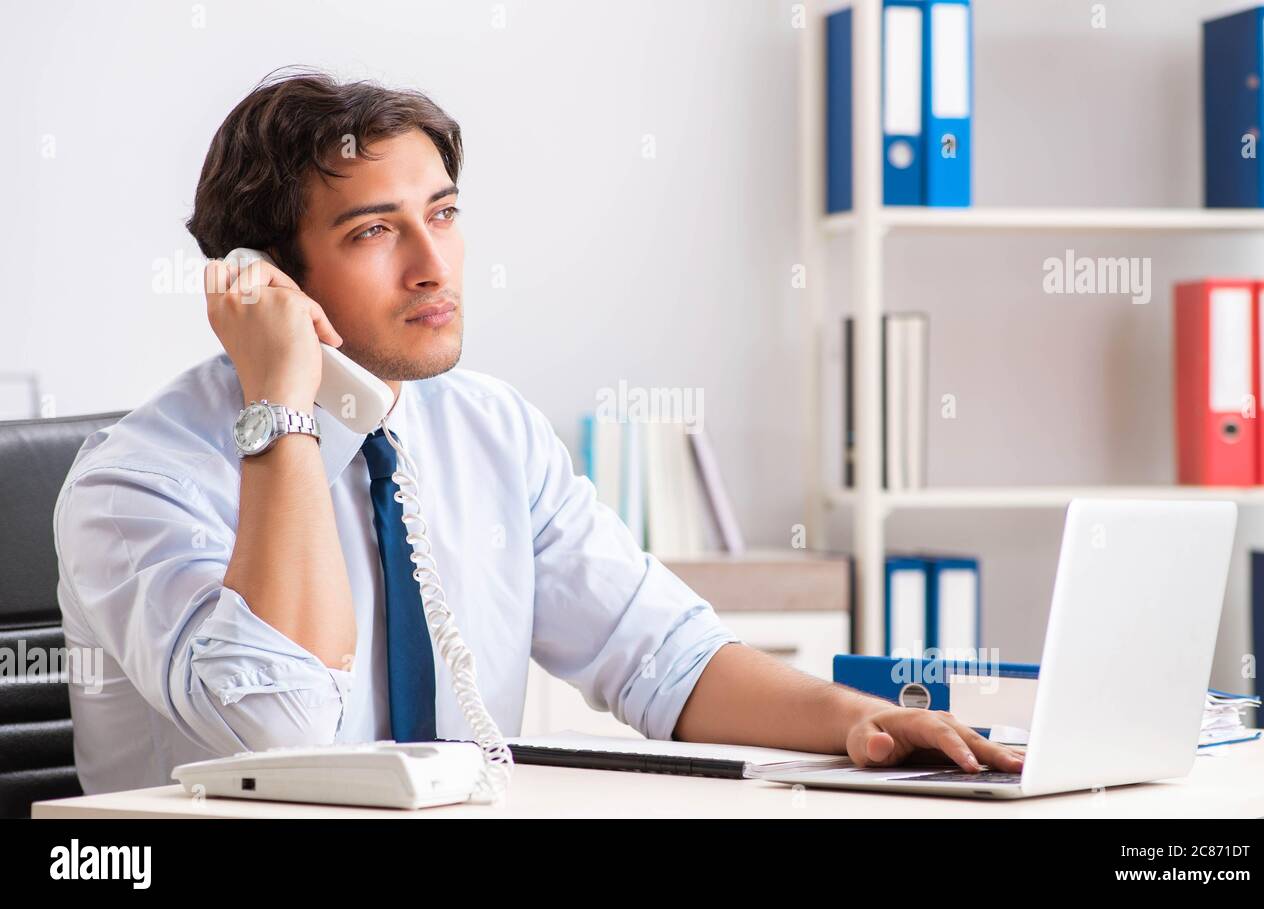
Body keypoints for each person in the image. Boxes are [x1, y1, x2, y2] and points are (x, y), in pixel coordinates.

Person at [54, 68, 1023, 794]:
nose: (434, 264)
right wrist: (285, 409)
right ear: (266, 275)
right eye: (374, 231)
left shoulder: (488, 429)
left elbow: (663, 659)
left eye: (442, 214)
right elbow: (278, 725)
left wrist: (870, 723)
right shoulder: (134, 483)